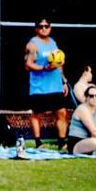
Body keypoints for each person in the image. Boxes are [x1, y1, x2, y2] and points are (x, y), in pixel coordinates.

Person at [24, 16, 69, 150]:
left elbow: (59, 63)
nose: (44, 28)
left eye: (46, 26)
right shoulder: (32, 44)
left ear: (50, 27)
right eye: (40, 26)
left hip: (55, 85)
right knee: (37, 114)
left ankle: (62, 143)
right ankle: (39, 143)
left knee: (61, 113)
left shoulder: (53, 42)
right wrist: (44, 68)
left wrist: (64, 81)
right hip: (40, 87)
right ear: (36, 28)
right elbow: (27, 65)